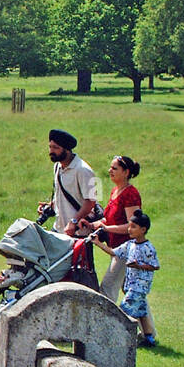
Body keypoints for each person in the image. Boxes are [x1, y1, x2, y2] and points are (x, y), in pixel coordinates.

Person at [92, 211, 160, 347]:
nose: (130, 229)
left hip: (139, 287)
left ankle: (120, 339)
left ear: (143, 230)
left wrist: (138, 266)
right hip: (131, 285)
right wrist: (98, 243)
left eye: (133, 227)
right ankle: (149, 339)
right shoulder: (129, 244)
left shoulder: (148, 248)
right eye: (129, 226)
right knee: (141, 312)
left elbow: (155, 266)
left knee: (124, 313)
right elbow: (114, 252)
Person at [81, 156, 142, 302]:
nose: (110, 171)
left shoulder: (130, 194)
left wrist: (106, 229)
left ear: (126, 172)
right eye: (110, 167)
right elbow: (108, 218)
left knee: (107, 289)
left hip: (126, 250)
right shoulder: (115, 191)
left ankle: (105, 324)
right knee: (132, 294)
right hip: (115, 248)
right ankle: (147, 326)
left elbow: (132, 226)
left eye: (115, 168)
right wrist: (92, 225)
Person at [37, 129, 97, 236]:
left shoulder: (84, 170)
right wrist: (50, 206)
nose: (51, 151)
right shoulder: (57, 166)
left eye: (56, 148)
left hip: (78, 233)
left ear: (67, 150)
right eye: (50, 147)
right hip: (59, 230)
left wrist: (74, 221)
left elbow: (91, 202)